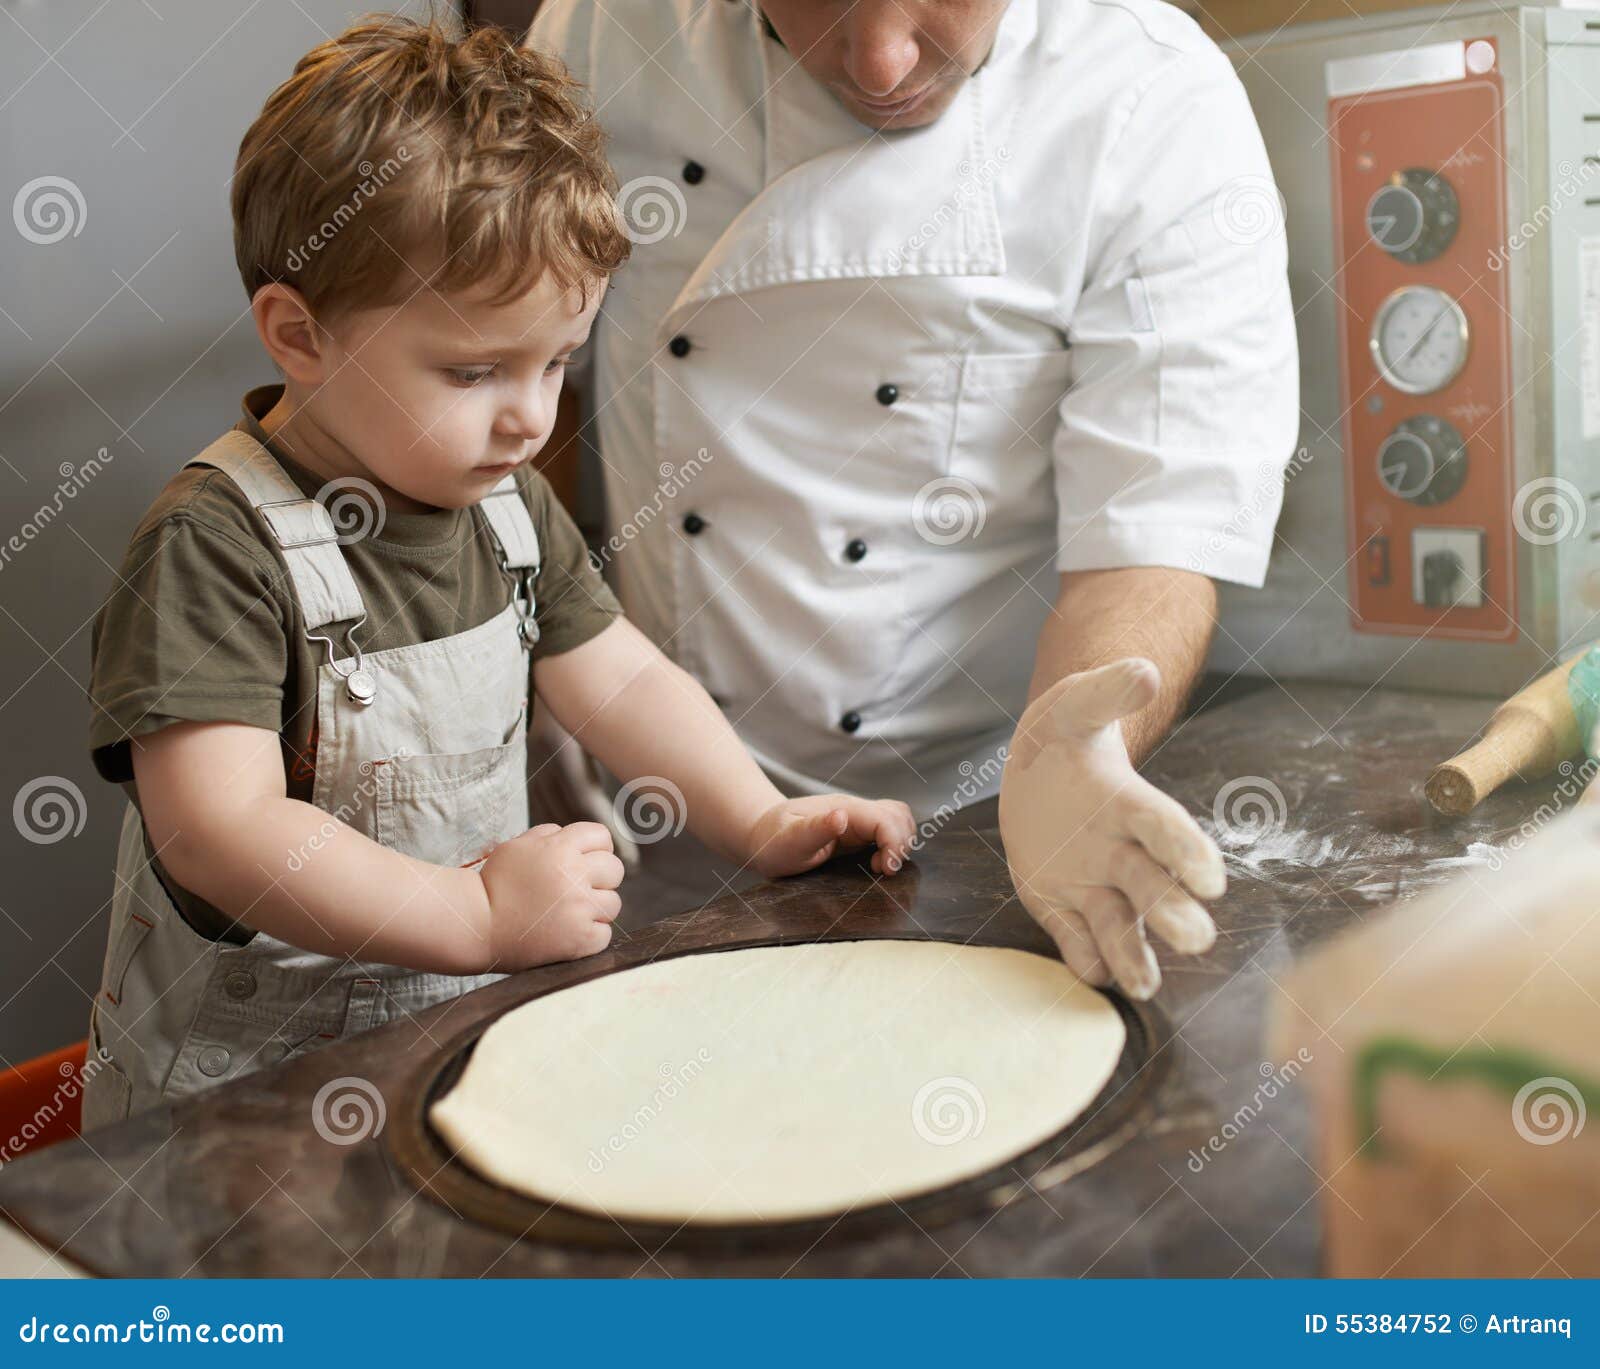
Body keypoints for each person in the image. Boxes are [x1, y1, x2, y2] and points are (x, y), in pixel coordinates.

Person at [79, 16, 914, 1130]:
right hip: (238, 1108)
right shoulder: (215, 546)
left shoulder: (503, 507)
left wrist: (758, 819)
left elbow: (619, 677)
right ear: (299, 333)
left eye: (558, 360)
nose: (531, 414)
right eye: (473, 370)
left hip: (433, 1053)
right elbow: (219, 832)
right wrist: (471, 916)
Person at [527, 0, 1299, 999]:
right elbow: (515, 374)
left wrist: (1073, 745)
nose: (882, 63)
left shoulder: (1150, 99)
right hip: (649, 834)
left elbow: (1155, 522)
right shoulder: (600, 35)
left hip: (988, 830)